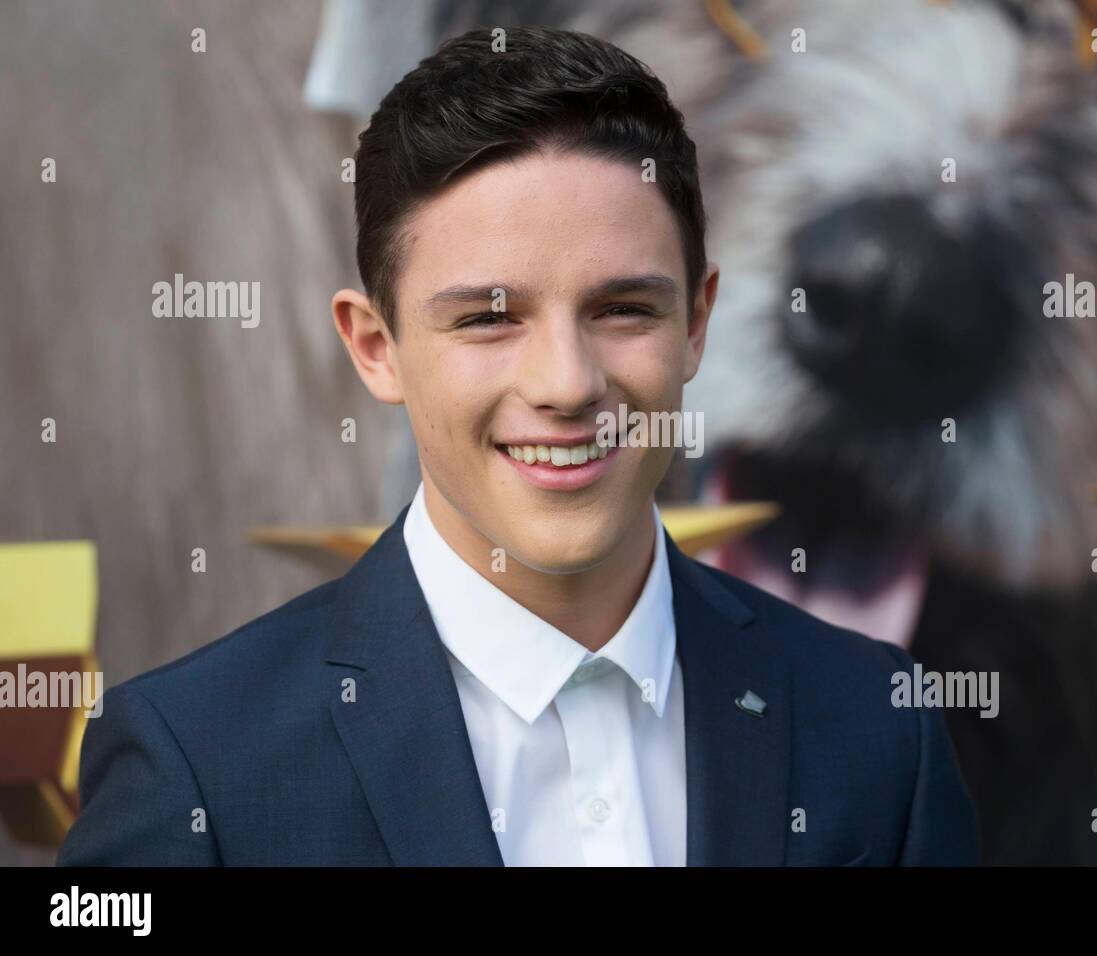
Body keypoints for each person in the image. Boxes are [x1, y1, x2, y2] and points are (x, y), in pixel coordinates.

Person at [57, 25, 978, 866]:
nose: (567, 383)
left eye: (624, 309)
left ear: (697, 321)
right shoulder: (196, 763)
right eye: (489, 319)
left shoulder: (876, 726)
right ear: (376, 348)